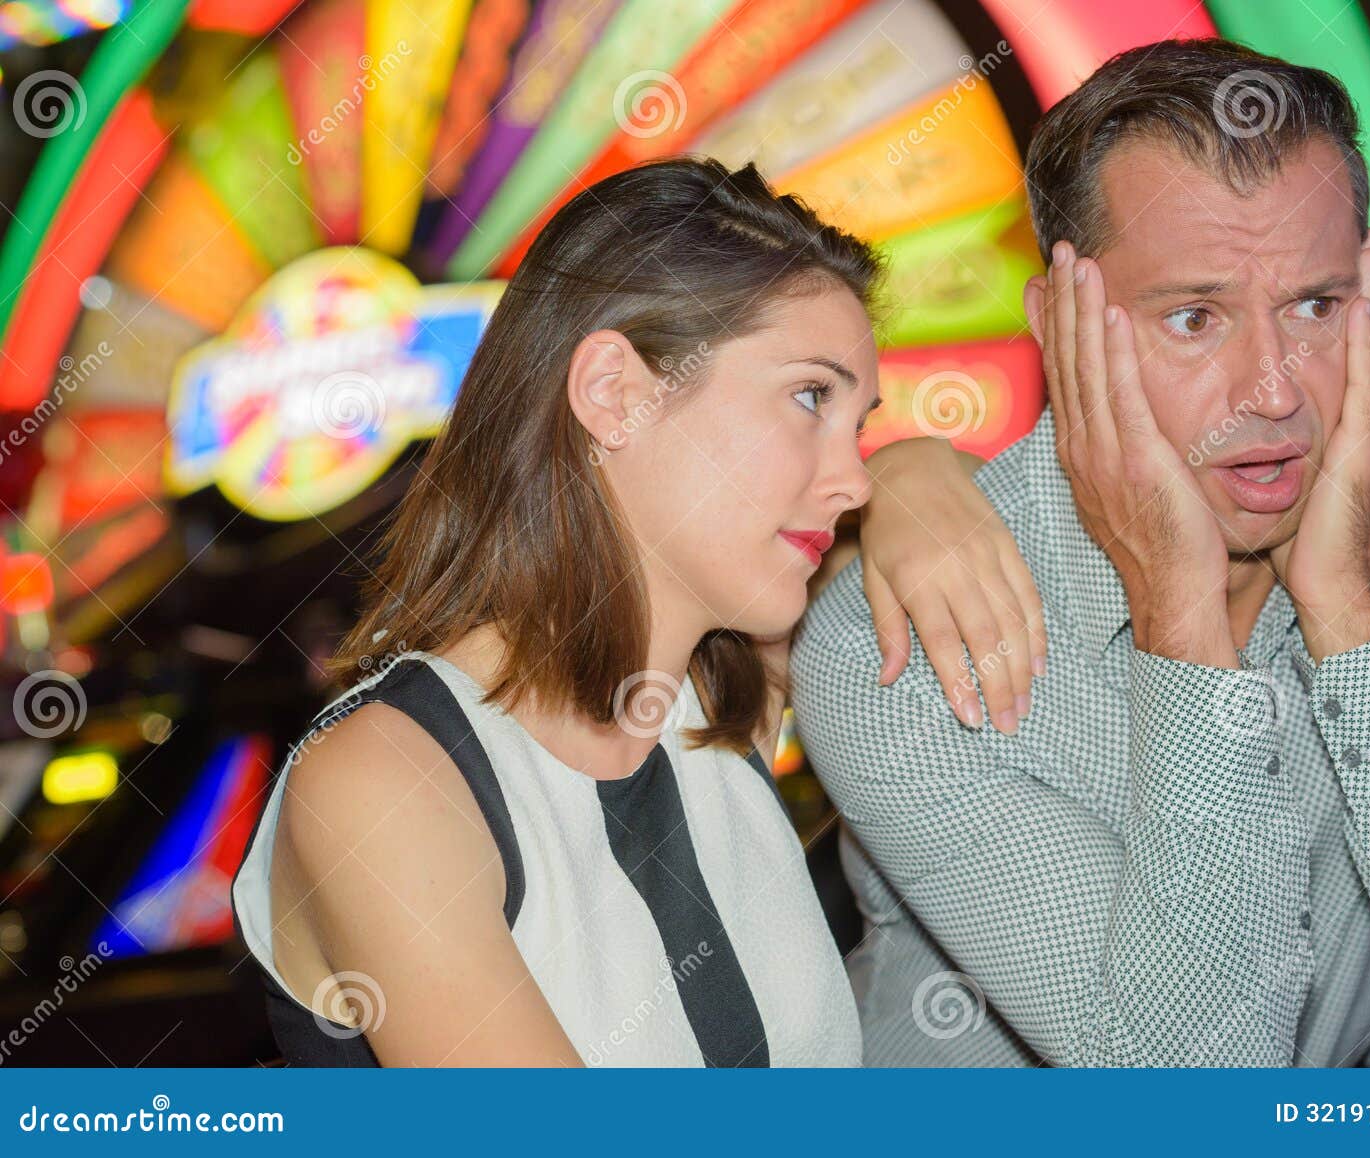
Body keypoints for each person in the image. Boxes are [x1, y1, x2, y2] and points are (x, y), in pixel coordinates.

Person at [791, 38, 1370, 1067]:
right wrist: (1179, 619)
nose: (1272, 390)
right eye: (1193, 317)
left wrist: (1353, 622)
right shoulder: (894, 636)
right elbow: (1185, 1089)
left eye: (1315, 306)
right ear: (1060, 322)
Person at [230, 157, 1041, 1067]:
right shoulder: (385, 778)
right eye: (810, 396)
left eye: (857, 424)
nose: (849, 475)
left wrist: (915, 467)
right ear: (614, 391)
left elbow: (977, 518)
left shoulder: (731, 682)